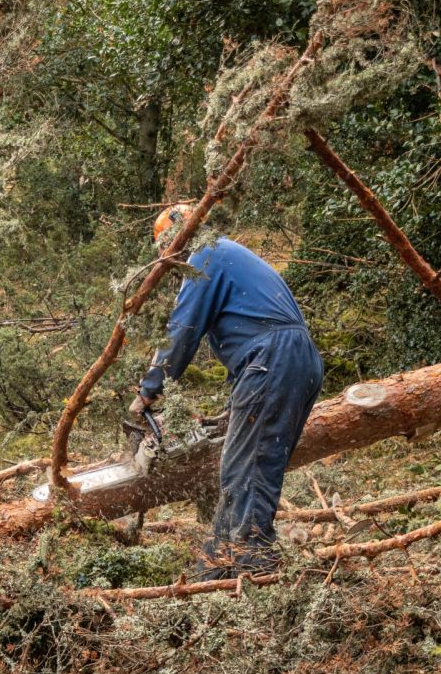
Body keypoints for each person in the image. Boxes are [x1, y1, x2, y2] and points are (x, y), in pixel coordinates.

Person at [129, 204, 323, 579]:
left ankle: (252, 567)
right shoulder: (228, 253)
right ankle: (219, 567)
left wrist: (148, 391)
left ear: (173, 242)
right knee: (251, 466)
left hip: (274, 357)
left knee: (246, 470)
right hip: (299, 359)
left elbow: (181, 331)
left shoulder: (205, 256)